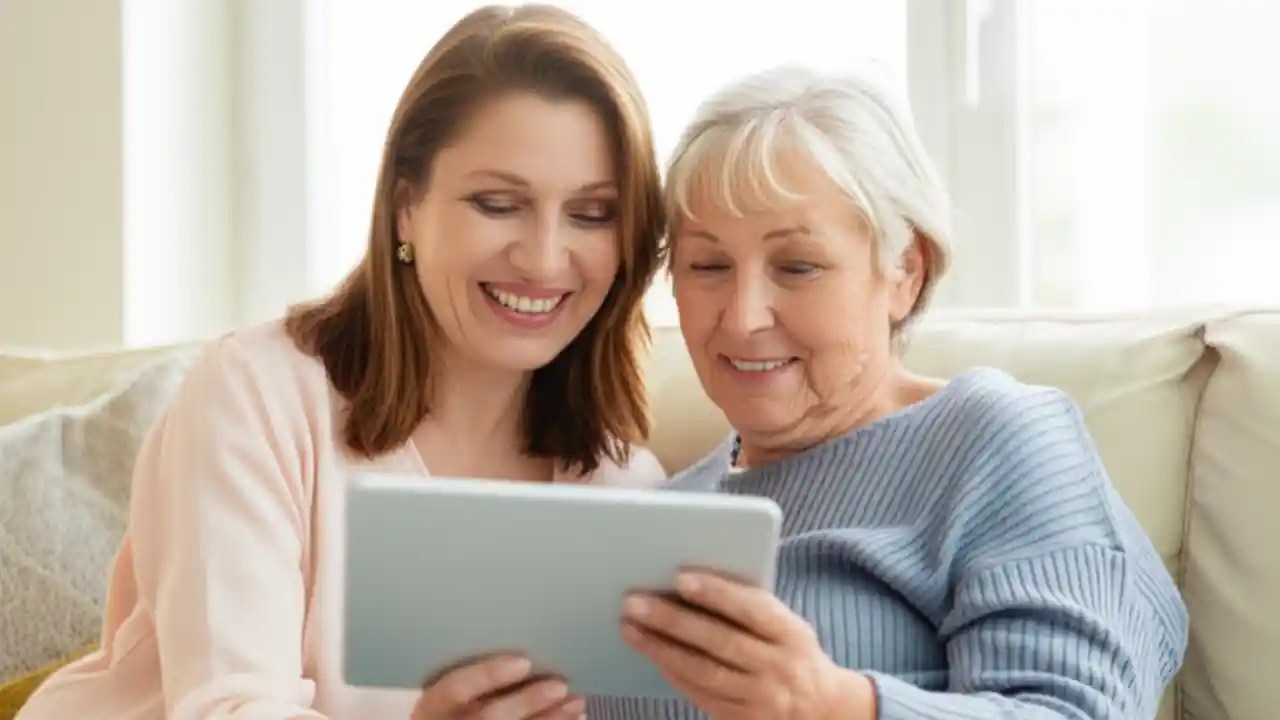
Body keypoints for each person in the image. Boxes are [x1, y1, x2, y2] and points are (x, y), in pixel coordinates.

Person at [17, 5, 667, 719]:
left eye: (592, 213)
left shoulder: (622, 490)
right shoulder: (256, 395)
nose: (544, 258)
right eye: (497, 203)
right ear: (405, 208)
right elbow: (226, 709)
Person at [592, 65, 1189, 719]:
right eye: (708, 266)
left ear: (905, 270)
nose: (742, 317)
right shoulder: (668, 515)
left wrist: (832, 705)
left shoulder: (995, 440)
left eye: (797, 266)